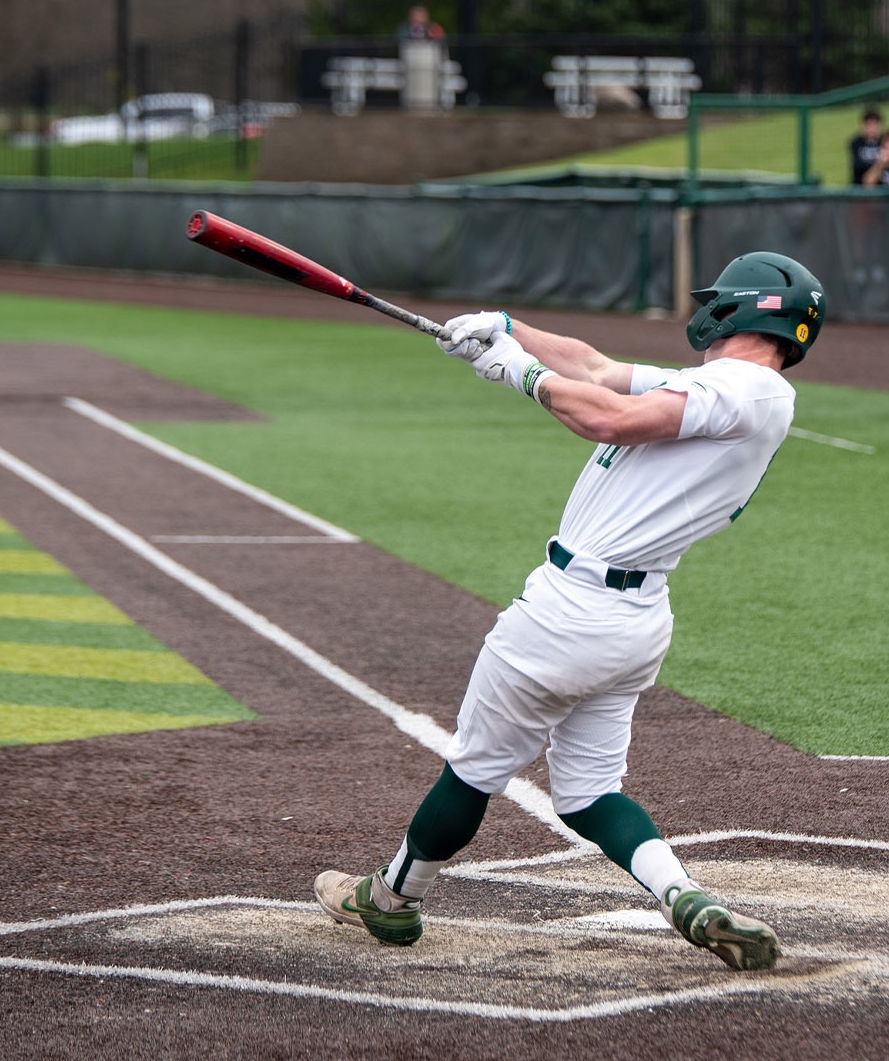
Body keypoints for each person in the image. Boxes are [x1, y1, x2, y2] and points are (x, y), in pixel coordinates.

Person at [313, 252, 827, 973]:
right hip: (635, 620)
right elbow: (593, 368)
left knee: (473, 772)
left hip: (564, 614)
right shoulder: (724, 386)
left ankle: (391, 901)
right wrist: (505, 326)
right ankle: (684, 897)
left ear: (743, 307)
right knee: (589, 792)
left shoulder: (748, 390)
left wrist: (517, 370)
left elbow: (606, 415)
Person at [849, 108, 884, 186]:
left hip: (881, 186)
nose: (871, 128)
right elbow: (857, 167)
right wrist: (879, 163)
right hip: (859, 186)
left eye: (874, 124)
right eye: (868, 124)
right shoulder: (856, 143)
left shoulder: (884, 141)